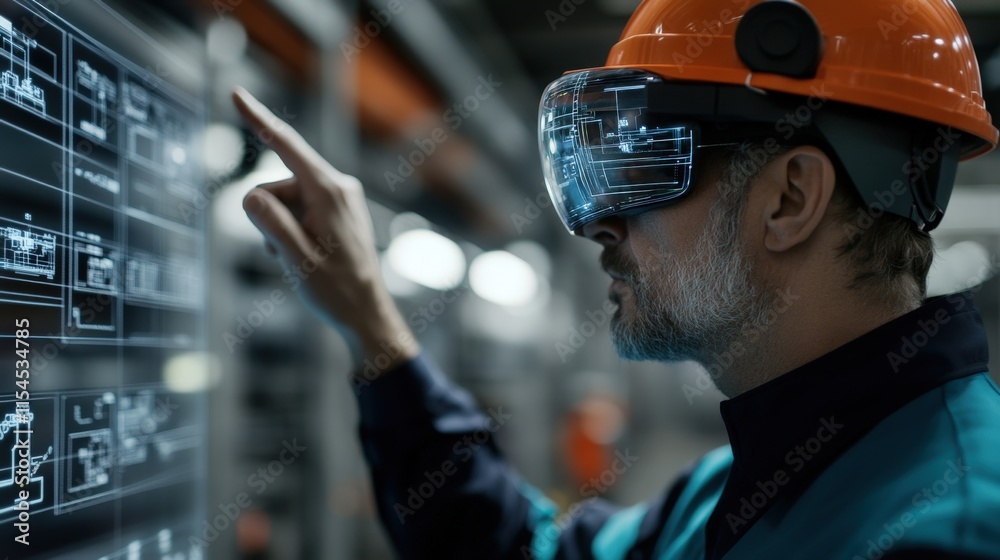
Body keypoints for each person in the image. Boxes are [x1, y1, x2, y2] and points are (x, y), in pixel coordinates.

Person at [232, 0, 1000, 558]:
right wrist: (372, 325)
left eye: (646, 167)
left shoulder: (944, 533)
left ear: (790, 199)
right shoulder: (743, 480)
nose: (599, 224)